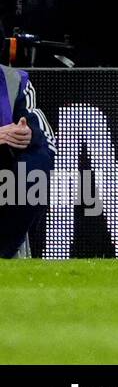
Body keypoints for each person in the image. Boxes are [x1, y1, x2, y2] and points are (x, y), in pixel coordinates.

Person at [0, 67, 53, 259]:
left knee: (36, 164)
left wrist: (29, 133)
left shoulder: (15, 80)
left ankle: (6, 251)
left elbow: (47, 140)